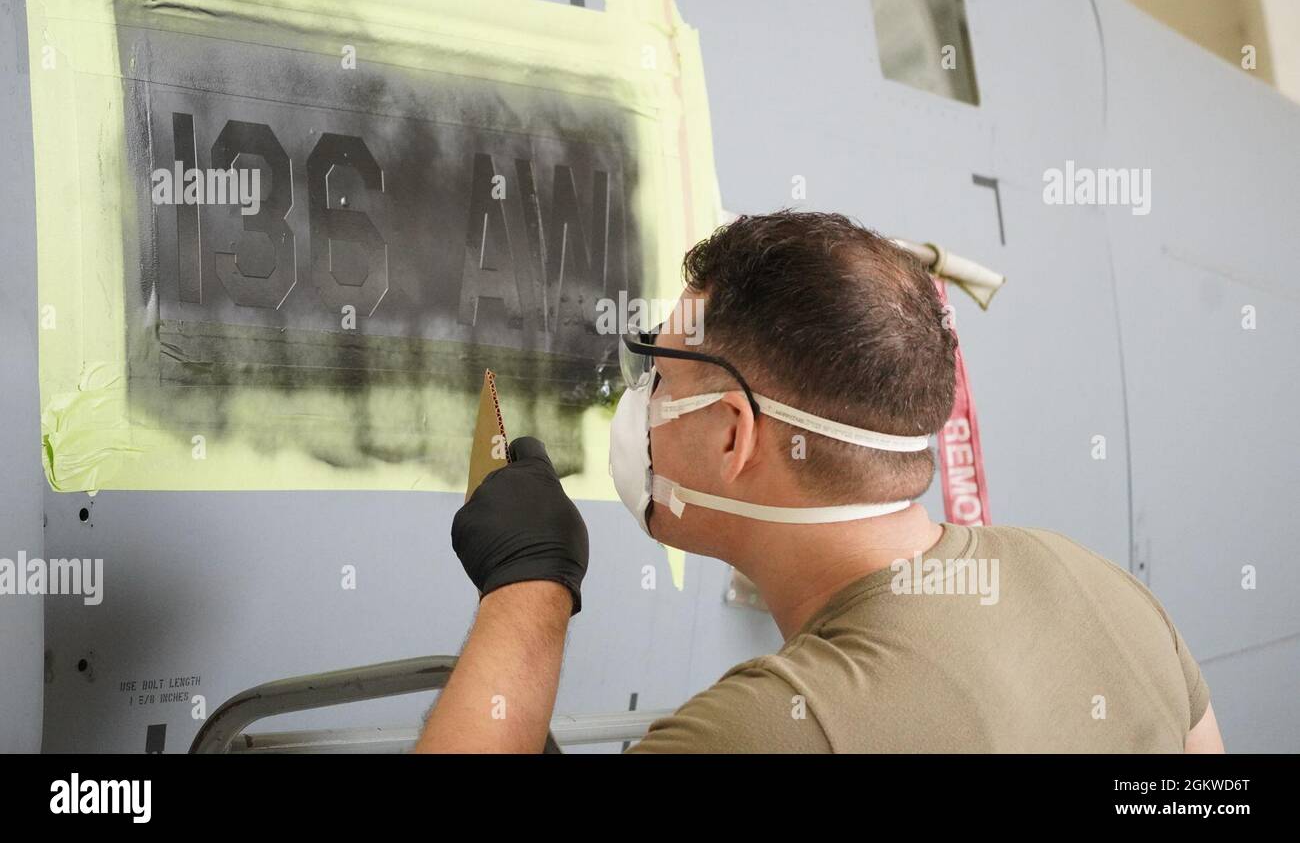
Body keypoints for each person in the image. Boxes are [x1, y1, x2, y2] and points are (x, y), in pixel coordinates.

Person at [415, 211, 1223, 754]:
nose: (639, 403)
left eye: (657, 377)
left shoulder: (771, 729)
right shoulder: (1102, 590)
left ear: (733, 434)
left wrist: (530, 587)